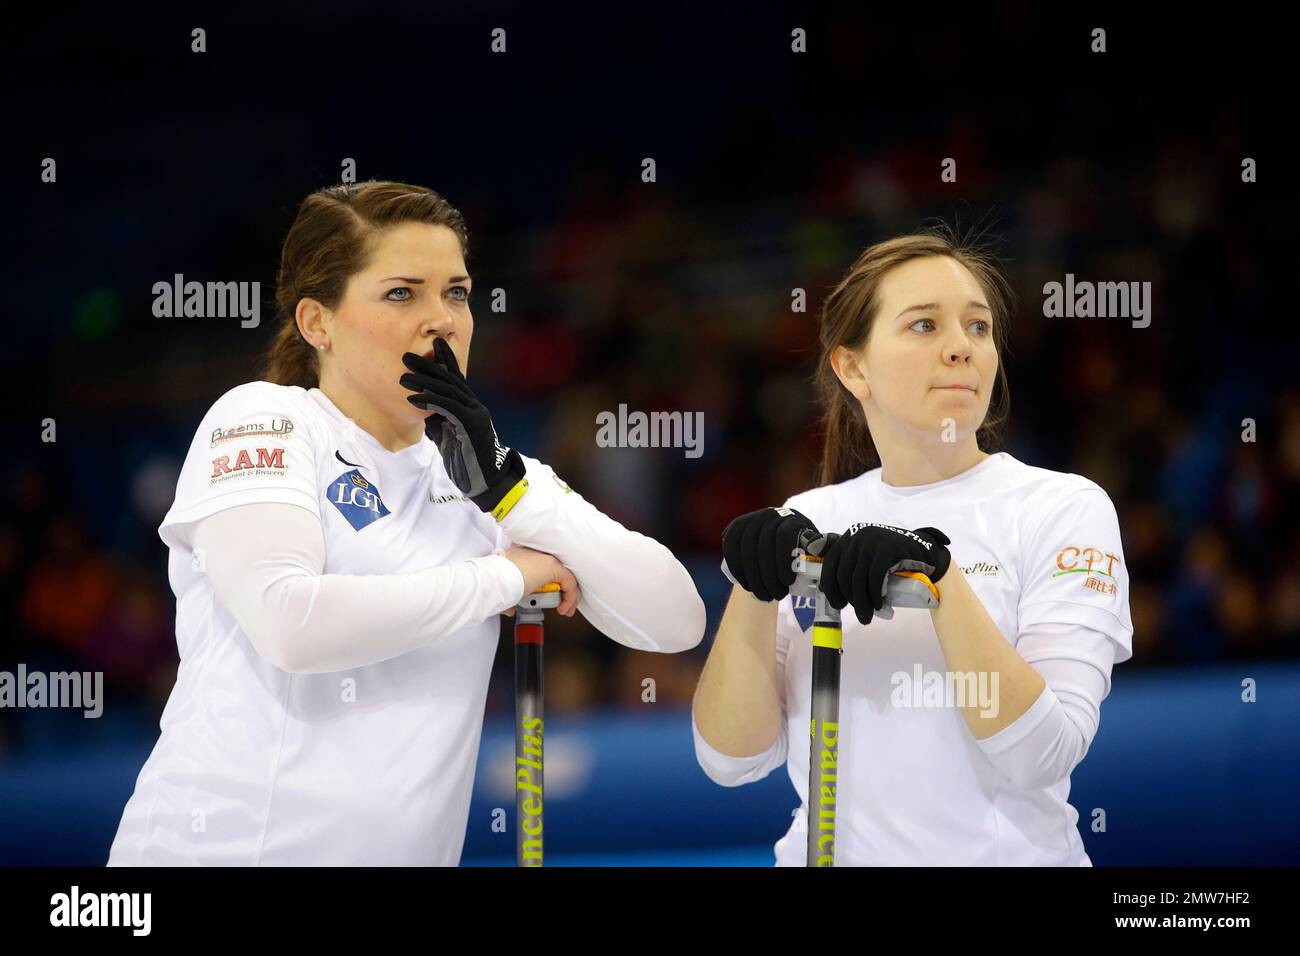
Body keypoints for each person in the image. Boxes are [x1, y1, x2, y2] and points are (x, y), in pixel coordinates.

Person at [108, 180, 706, 866]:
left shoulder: (491, 478)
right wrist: (502, 578)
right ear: (317, 323)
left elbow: (675, 620)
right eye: (402, 293)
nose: (442, 319)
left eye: (456, 292)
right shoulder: (263, 420)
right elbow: (290, 623)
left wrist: (512, 494)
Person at [692, 227, 1133, 866]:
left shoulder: (1061, 507)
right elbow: (731, 760)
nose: (962, 348)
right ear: (852, 367)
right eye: (925, 326)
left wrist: (940, 582)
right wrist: (751, 593)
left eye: (978, 328)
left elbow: (1042, 753)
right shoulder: (812, 516)